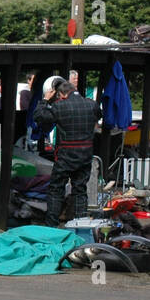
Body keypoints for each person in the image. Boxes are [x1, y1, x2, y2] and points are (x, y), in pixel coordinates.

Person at [32, 77, 100, 226]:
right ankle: (81, 225)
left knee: (56, 189)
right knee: (80, 190)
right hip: (85, 154)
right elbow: (98, 115)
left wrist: (44, 99)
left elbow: (38, 116)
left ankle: (52, 227)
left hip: (65, 155)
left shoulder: (60, 106)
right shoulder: (91, 105)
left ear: (61, 95)